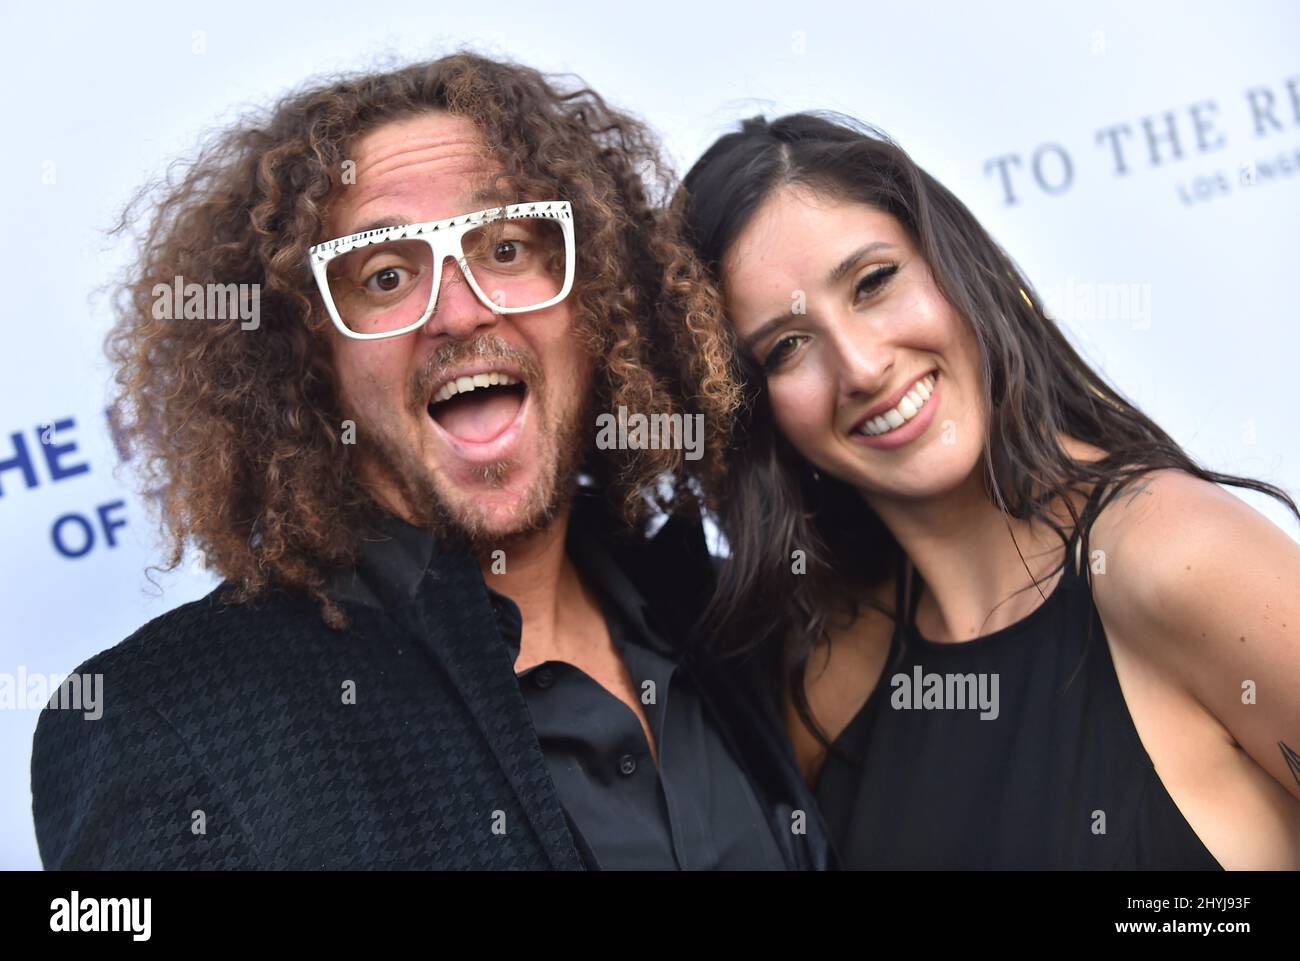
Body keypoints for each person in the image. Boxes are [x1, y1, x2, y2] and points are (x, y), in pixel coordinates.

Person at [30, 55, 833, 871]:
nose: (460, 309)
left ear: (599, 294)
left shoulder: (717, 616)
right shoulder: (167, 724)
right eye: (385, 276)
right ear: (308, 361)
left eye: (509, 247)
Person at [674, 111, 1300, 869]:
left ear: (957, 265)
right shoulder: (832, 677)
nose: (863, 366)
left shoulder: (1178, 557)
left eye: (874, 282)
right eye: (787, 347)